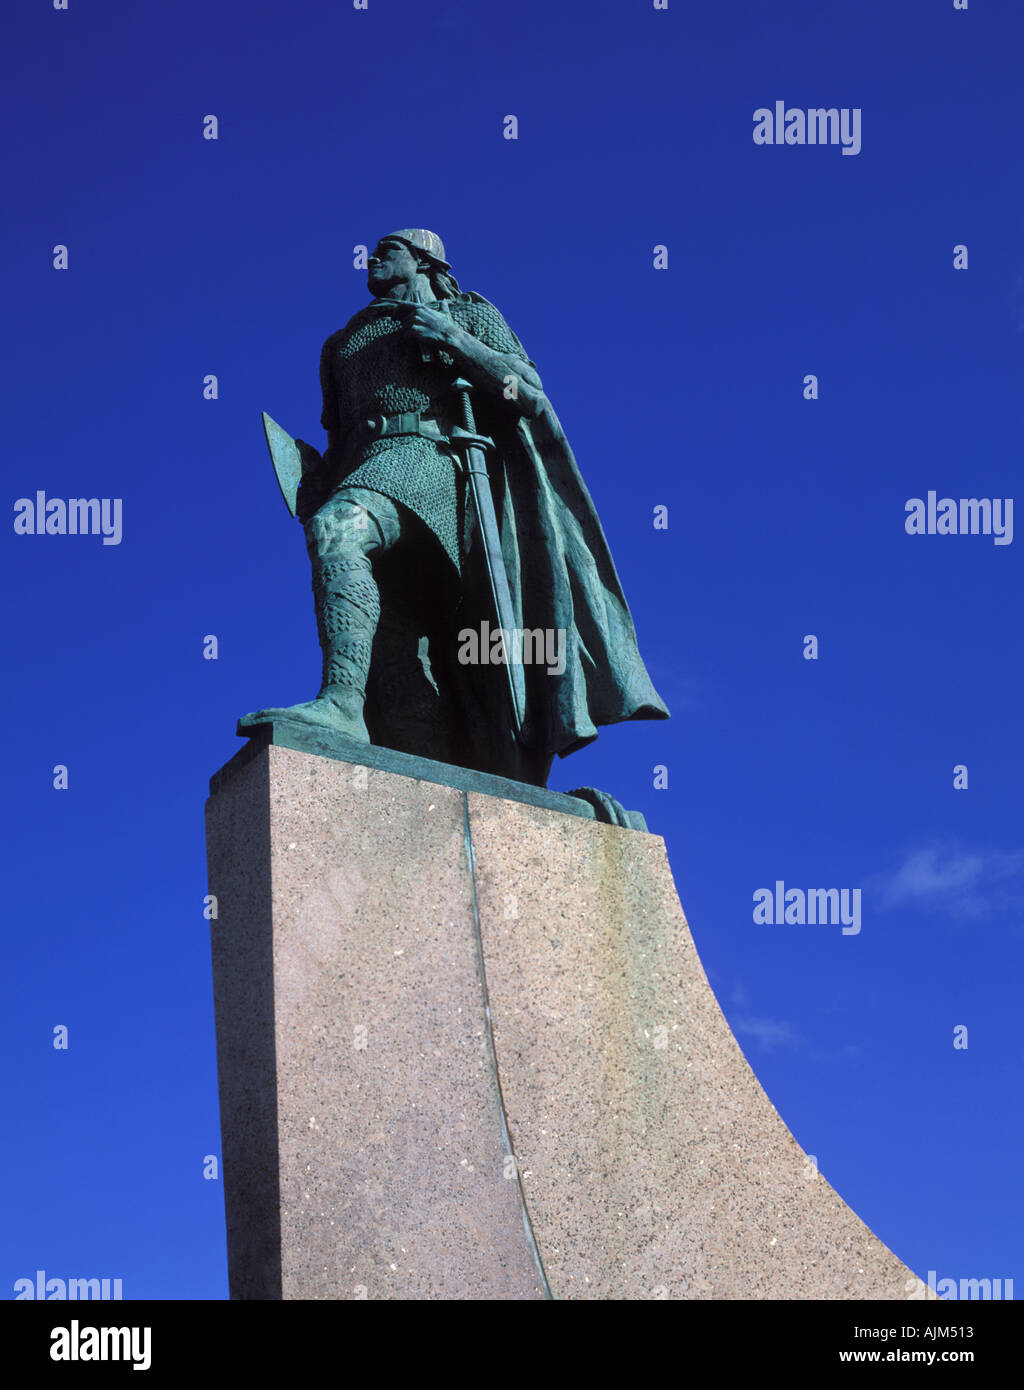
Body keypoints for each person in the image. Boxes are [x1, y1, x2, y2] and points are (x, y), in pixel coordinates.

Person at [239, 229, 668, 788]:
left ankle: (341, 703)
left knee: (339, 531)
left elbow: (528, 394)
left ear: (423, 261)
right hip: (368, 465)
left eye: (388, 249)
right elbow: (342, 437)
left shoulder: (465, 311)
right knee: (403, 656)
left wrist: (457, 340)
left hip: (439, 464)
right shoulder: (341, 345)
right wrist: (320, 476)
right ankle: (411, 756)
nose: (371, 258)